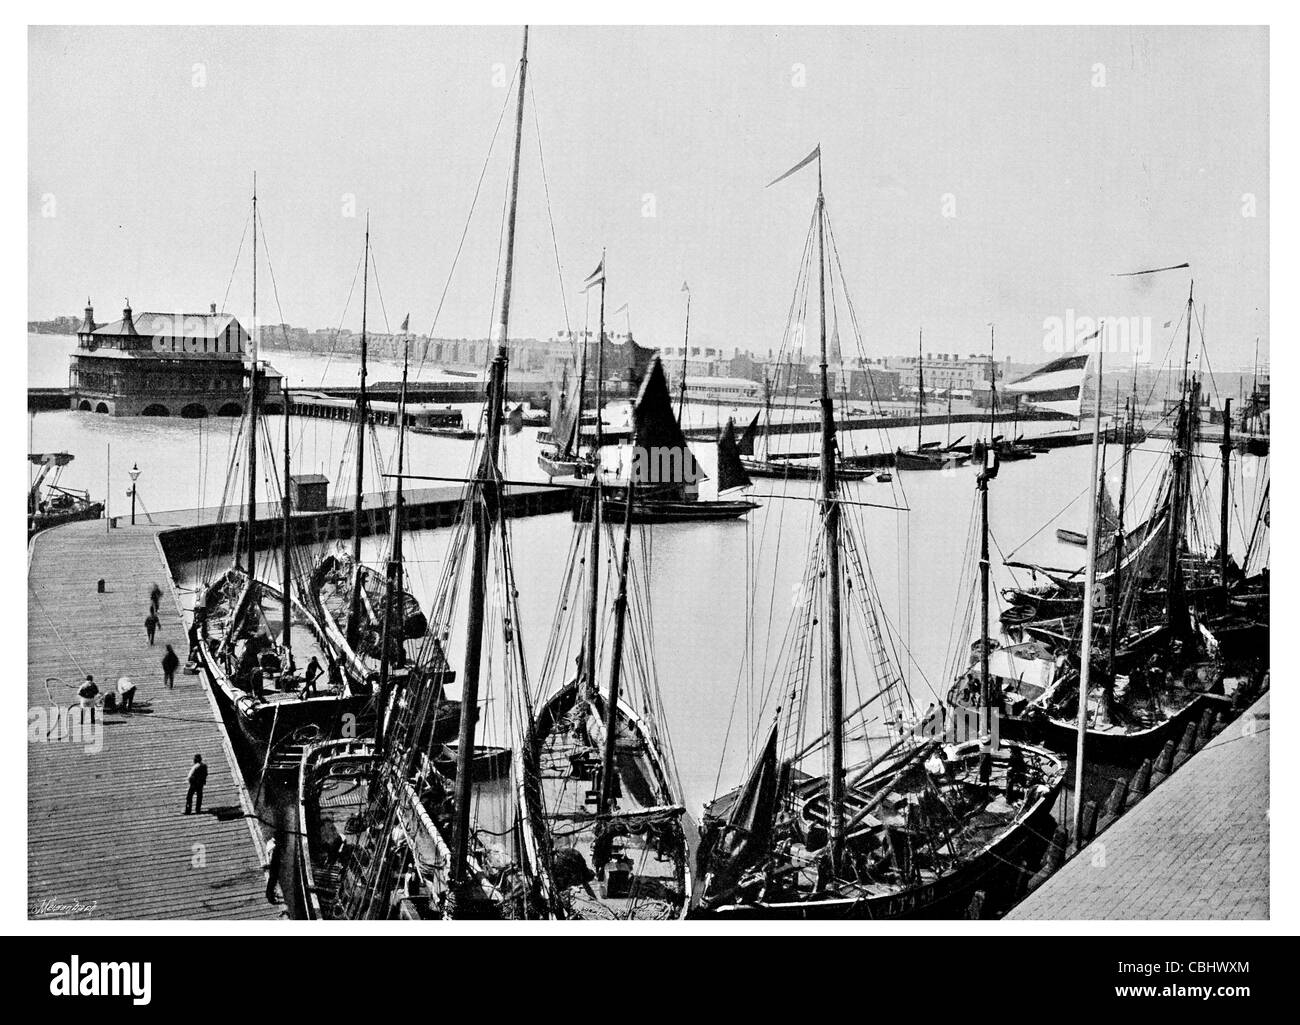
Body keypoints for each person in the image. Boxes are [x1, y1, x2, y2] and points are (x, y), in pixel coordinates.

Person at [265, 835, 283, 904]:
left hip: (272, 864)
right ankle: (270, 897)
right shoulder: (274, 847)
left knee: (272, 880)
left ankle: (269, 894)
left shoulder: (270, 843)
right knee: (273, 880)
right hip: (274, 864)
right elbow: (273, 857)